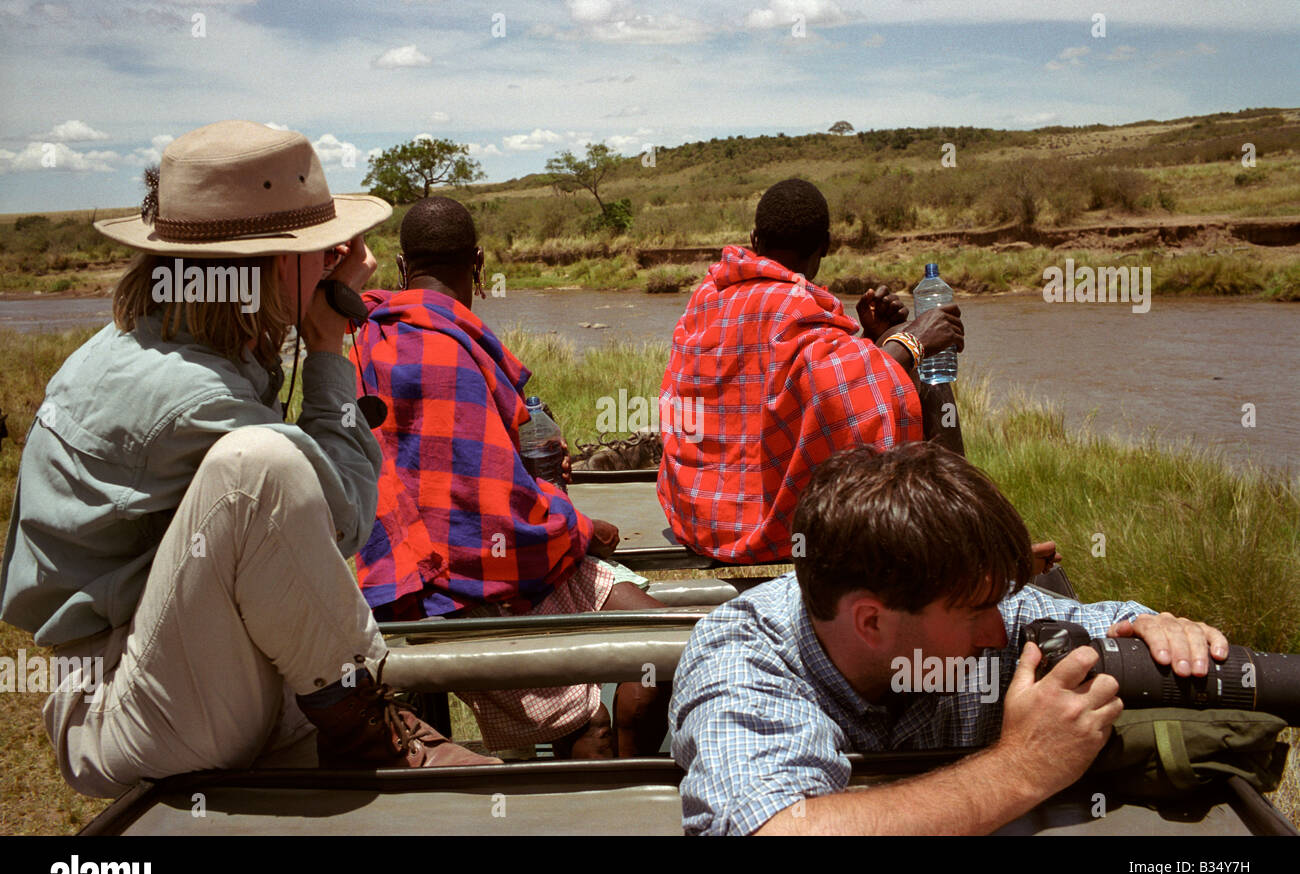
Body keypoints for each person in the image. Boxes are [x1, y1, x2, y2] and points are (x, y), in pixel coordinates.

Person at [0, 121, 498, 799]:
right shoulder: (189, 393)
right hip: (128, 705)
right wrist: (326, 350)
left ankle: (351, 717)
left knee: (262, 464)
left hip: (175, 674)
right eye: (315, 249)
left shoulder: (177, 349)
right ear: (260, 265)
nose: (336, 260)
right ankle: (365, 732)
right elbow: (343, 518)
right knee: (259, 466)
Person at [668, 442, 1233, 835]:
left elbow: (1114, 620)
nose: (998, 631)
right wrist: (1022, 767)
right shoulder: (743, 657)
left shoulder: (984, 607)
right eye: (975, 611)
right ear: (872, 622)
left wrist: (1160, 628)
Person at [352, 196, 667, 758]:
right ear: (478, 261)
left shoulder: (365, 337)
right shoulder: (450, 347)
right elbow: (496, 515)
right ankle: (608, 788)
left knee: (662, 638)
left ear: (402, 267)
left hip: (397, 571)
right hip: (461, 581)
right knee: (592, 715)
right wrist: (579, 526)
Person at [657, 178, 964, 564]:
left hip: (699, 520)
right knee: (927, 383)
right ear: (827, 246)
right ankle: (958, 537)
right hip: (774, 535)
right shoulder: (797, 309)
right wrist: (912, 343)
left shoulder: (707, 299)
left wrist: (872, 340)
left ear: (755, 240)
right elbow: (846, 396)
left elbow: (798, 381)